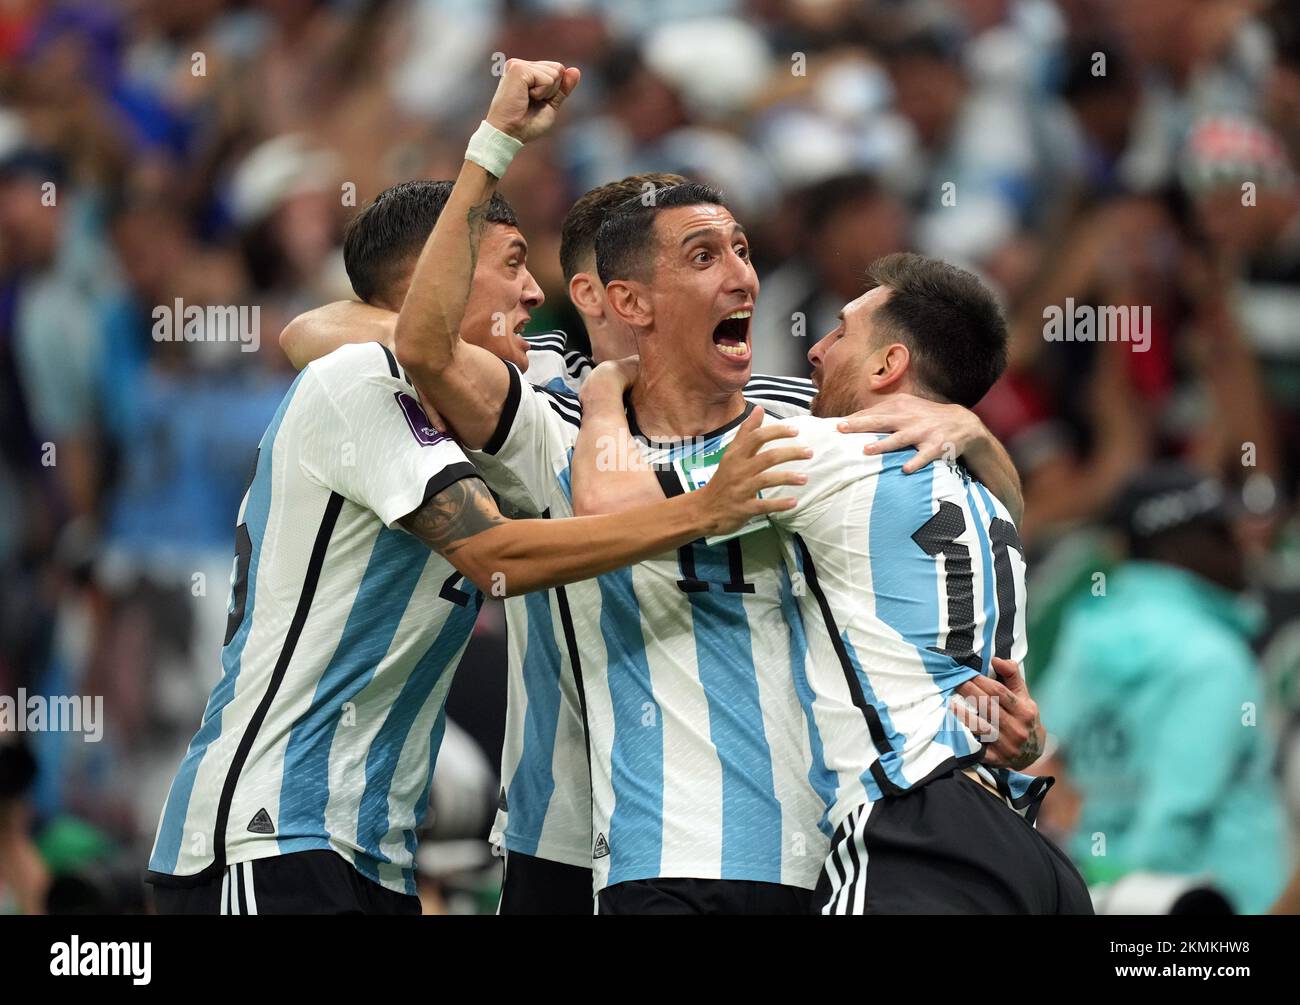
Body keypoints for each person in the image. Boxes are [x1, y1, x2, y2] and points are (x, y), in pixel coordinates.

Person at [144, 57, 805, 915]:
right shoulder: (362, 382)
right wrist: (702, 512)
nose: (531, 293)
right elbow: (492, 556)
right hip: (269, 827)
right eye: (511, 264)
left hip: (367, 845)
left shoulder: (501, 398)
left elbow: (323, 324)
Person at [388, 60, 1037, 913]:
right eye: (700, 254)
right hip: (568, 832)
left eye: (739, 248)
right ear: (609, 295)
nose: (741, 275)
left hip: (800, 844)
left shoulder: (798, 423)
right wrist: (497, 138)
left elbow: (963, 532)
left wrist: (971, 430)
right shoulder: (544, 416)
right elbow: (399, 343)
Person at [575, 252, 1088, 914]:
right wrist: (978, 432)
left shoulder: (836, 445)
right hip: (1028, 850)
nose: (815, 350)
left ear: (888, 365)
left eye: (841, 331)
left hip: (919, 838)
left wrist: (600, 395)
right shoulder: (991, 499)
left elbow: (603, 503)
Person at [1040, 463, 1288, 915]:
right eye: (1224, 535)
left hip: (1095, 898)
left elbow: (1043, 764)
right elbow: (1178, 813)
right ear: (1181, 547)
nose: (1240, 550)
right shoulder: (1214, 657)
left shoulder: (1084, 638)